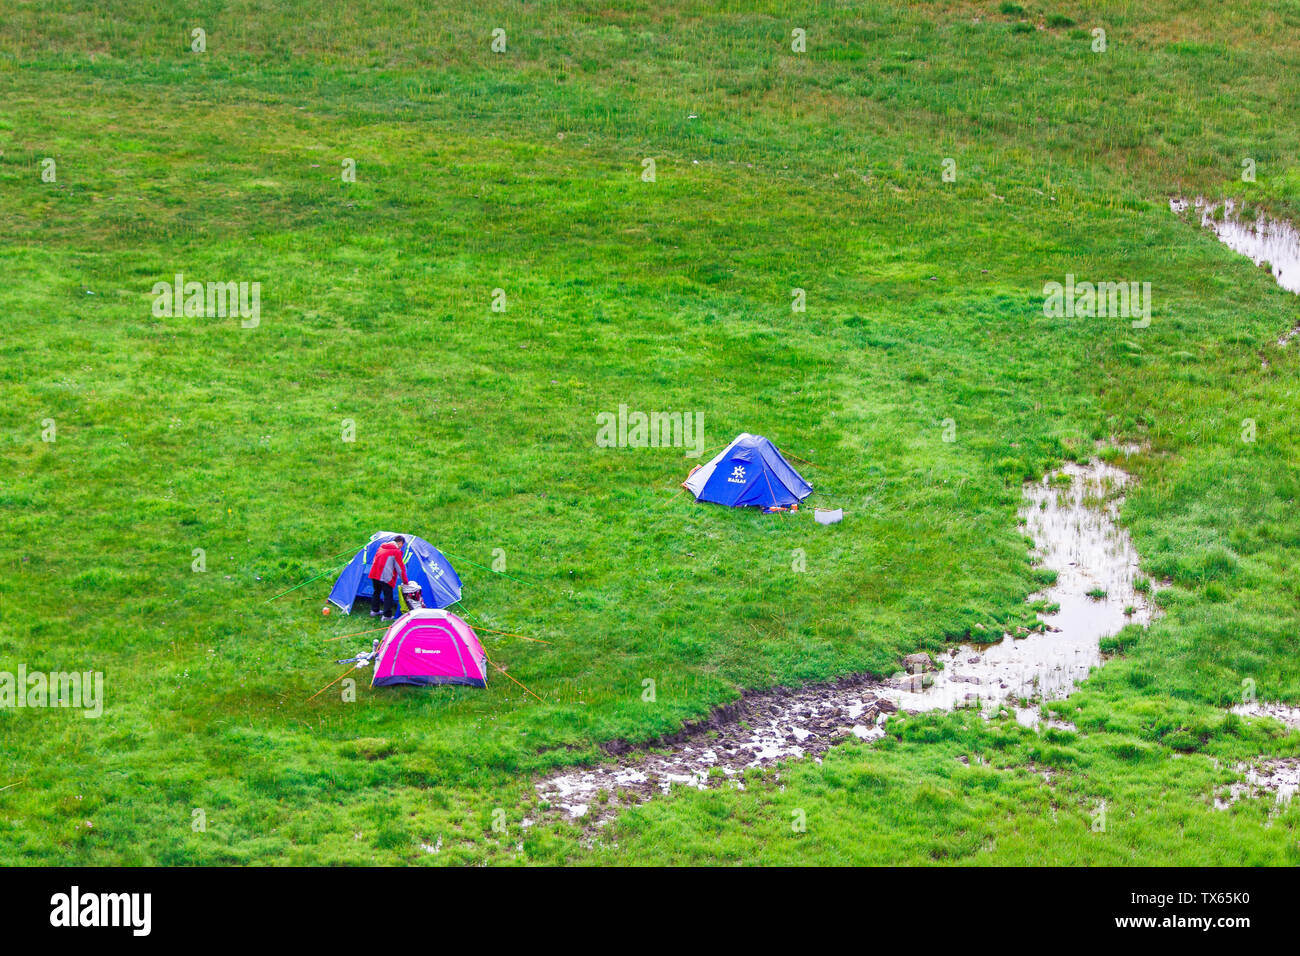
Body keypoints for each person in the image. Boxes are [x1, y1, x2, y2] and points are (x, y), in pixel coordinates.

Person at [368, 536, 409, 620]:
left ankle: (374, 611)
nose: (401, 547)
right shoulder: (396, 552)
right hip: (385, 577)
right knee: (388, 595)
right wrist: (405, 582)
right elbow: (400, 569)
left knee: (376, 592)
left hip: (374, 574)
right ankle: (387, 616)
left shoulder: (381, 547)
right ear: (400, 543)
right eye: (402, 545)